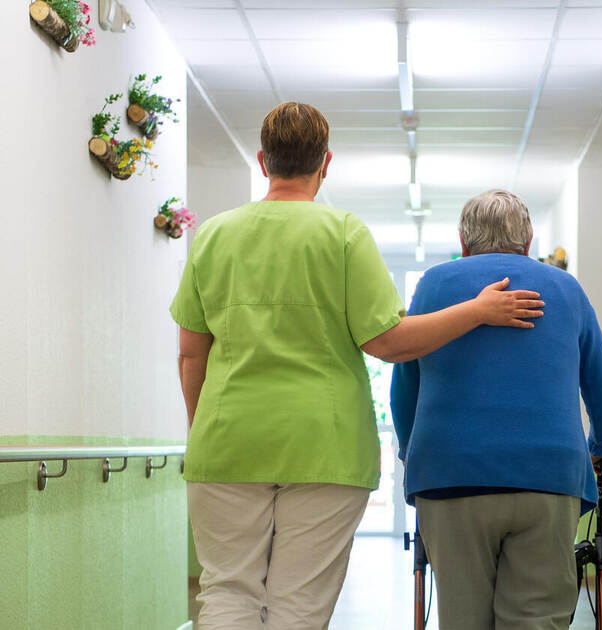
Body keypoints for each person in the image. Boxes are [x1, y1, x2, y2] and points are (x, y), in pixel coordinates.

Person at [170, 103, 545, 630]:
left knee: (227, 591)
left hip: (227, 439)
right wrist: (478, 310)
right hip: (325, 444)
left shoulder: (211, 235)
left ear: (262, 161)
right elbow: (389, 343)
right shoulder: (343, 233)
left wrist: (204, 428)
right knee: (298, 604)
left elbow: (192, 353)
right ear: (326, 163)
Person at [391, 189, 602, 630]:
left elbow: (405, 385)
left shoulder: (435, 285)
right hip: (548, 477)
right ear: (529, 240)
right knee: (536, 620)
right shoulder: (565, 288)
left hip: (450, 476)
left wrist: (410, 450)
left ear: (463, 241)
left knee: (463, 619)